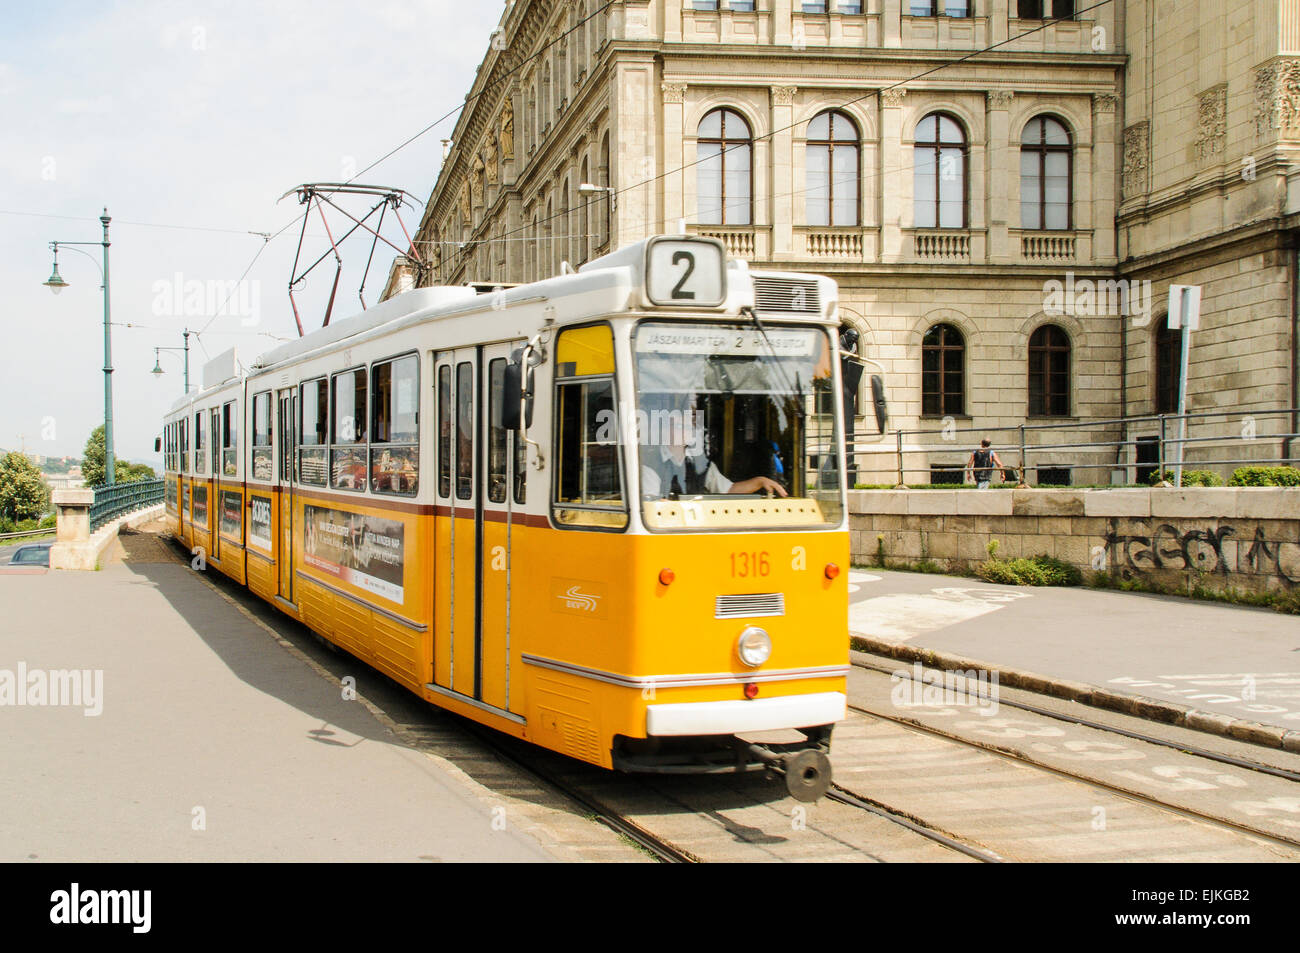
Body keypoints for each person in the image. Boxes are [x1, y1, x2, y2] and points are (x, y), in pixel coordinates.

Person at [640, 410, 787, 500]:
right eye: (679, 426)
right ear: (665, 429)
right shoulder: (651, 464)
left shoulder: (700, 463)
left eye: (689, 425)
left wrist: (760, 481)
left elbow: (728, 490)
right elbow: (650, 504)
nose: (686, 430)